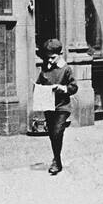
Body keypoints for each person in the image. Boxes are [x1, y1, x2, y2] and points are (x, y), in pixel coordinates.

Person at [36, 38, 78, 175]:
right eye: (48, 58)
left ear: (60, 54)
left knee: (57, 132)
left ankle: (55, 160)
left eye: (53, 58)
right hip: (49, 105)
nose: (50, 61)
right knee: (52, 135)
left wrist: (62, 88)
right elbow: (39, 83)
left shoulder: (66, 69)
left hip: (62, 106)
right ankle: (57, 159)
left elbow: (74, 87)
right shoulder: (45, 69)